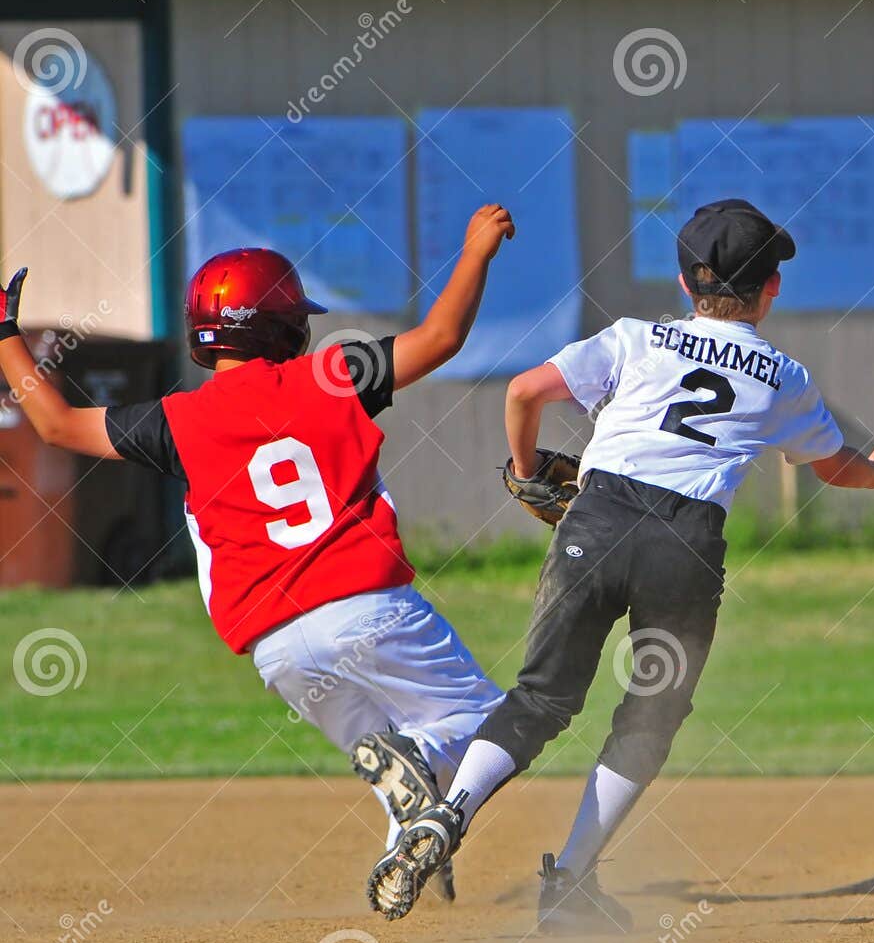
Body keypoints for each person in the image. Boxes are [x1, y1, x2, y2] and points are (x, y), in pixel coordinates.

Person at [367, 198, 874, 928]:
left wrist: (529, 473)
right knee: (649, 716)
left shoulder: (635, 338)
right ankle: (570, 880)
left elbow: (523, 390)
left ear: (686, 285)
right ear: (770, 290)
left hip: (597, 519)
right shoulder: (783, 375)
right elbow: (837, 468)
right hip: (685, 550)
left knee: (539, 699)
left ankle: (451, 811)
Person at [0, 204, 519, 896]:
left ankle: (414, 847)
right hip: (366, 606)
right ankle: (424, 777)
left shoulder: (175, 420)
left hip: (278, 648)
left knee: (397, 753)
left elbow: (56, 424)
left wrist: (7, 335)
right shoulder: (329, 376)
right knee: (494, 724)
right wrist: (477, 248)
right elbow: (443, 335)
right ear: (284, 327)